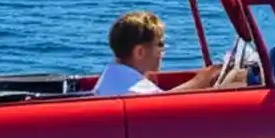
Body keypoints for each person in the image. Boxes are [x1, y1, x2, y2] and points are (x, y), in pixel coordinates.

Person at [92, 11, 224, 96]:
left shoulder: (111, 79)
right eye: (159, 45)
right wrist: (202, 80)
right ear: (140, 52)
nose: (163, 53)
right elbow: (165, 103)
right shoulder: (135, 91)